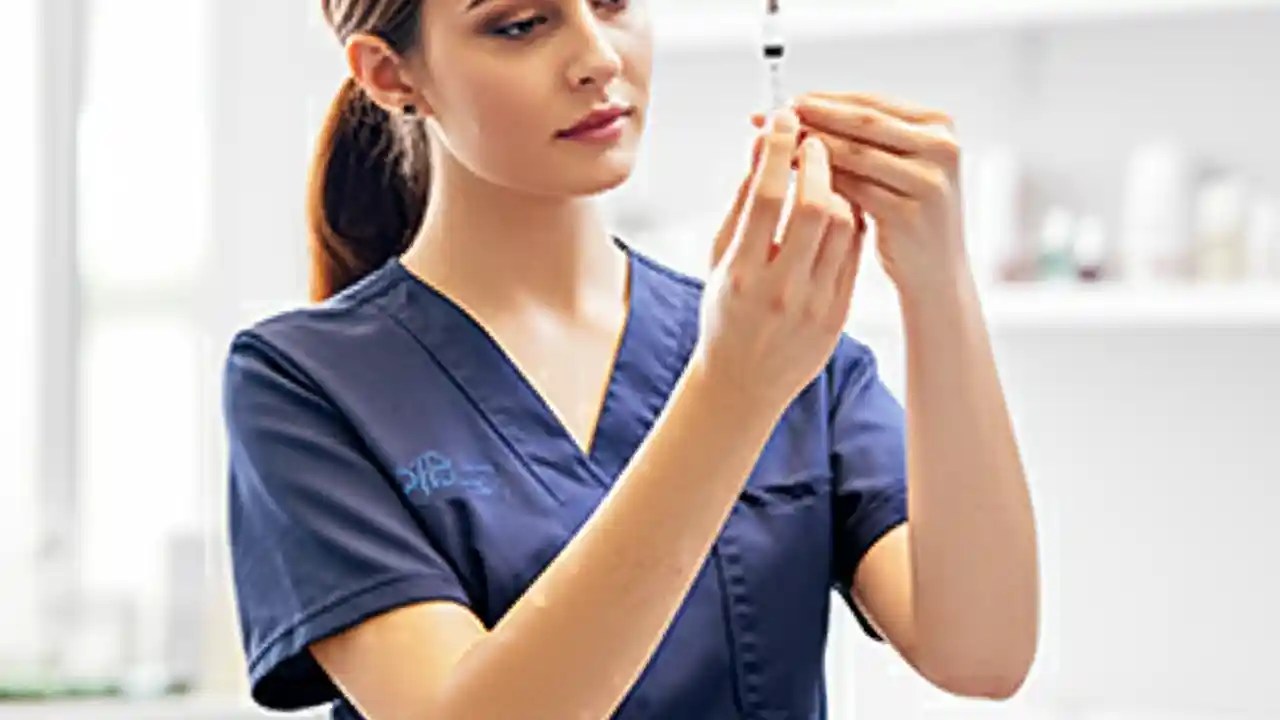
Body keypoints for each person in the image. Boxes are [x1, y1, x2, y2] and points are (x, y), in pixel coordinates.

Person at [221, 1, 1040, 718]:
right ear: (391, 73)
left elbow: (983, 655)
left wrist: (937, 283)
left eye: (612, 1)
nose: (598, 57)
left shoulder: (796, 357)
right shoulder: (305, 385)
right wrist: (730, 393)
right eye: (520, 24)